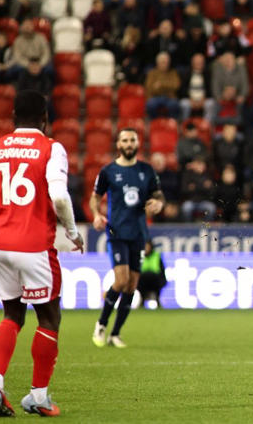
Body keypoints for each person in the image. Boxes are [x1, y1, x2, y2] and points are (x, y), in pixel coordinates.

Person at [0, 90, 84, 417]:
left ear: (13, 117)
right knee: (49, 317)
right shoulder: (51, 148)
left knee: (12, 315)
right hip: (34, 245)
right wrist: (71, 232)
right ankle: (38, 396)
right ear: (45, 118)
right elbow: (58, 196)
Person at [91, 129, 165, 349]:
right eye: (125, 140)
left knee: (132, 286)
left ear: (138, 143)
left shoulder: (146, 170)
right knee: (121, 281)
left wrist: (159, 203)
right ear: (118, 144)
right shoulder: (108, 171)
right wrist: (96, 214)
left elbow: (158, 194)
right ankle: (101, 324)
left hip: (139, 234)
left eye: (132, 140)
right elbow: (95, 197)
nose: (129, 143)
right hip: (117, 233)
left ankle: (115, 334)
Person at [137, 240, 166, 309]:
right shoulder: (140, 256)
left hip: (155, 280)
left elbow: (161, 270)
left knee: (155, 278)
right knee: (141, 279)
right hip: (143, 280)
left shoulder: (156, 256)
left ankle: (157, 300)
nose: (146, 248)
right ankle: (142, 300)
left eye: (148, 246)